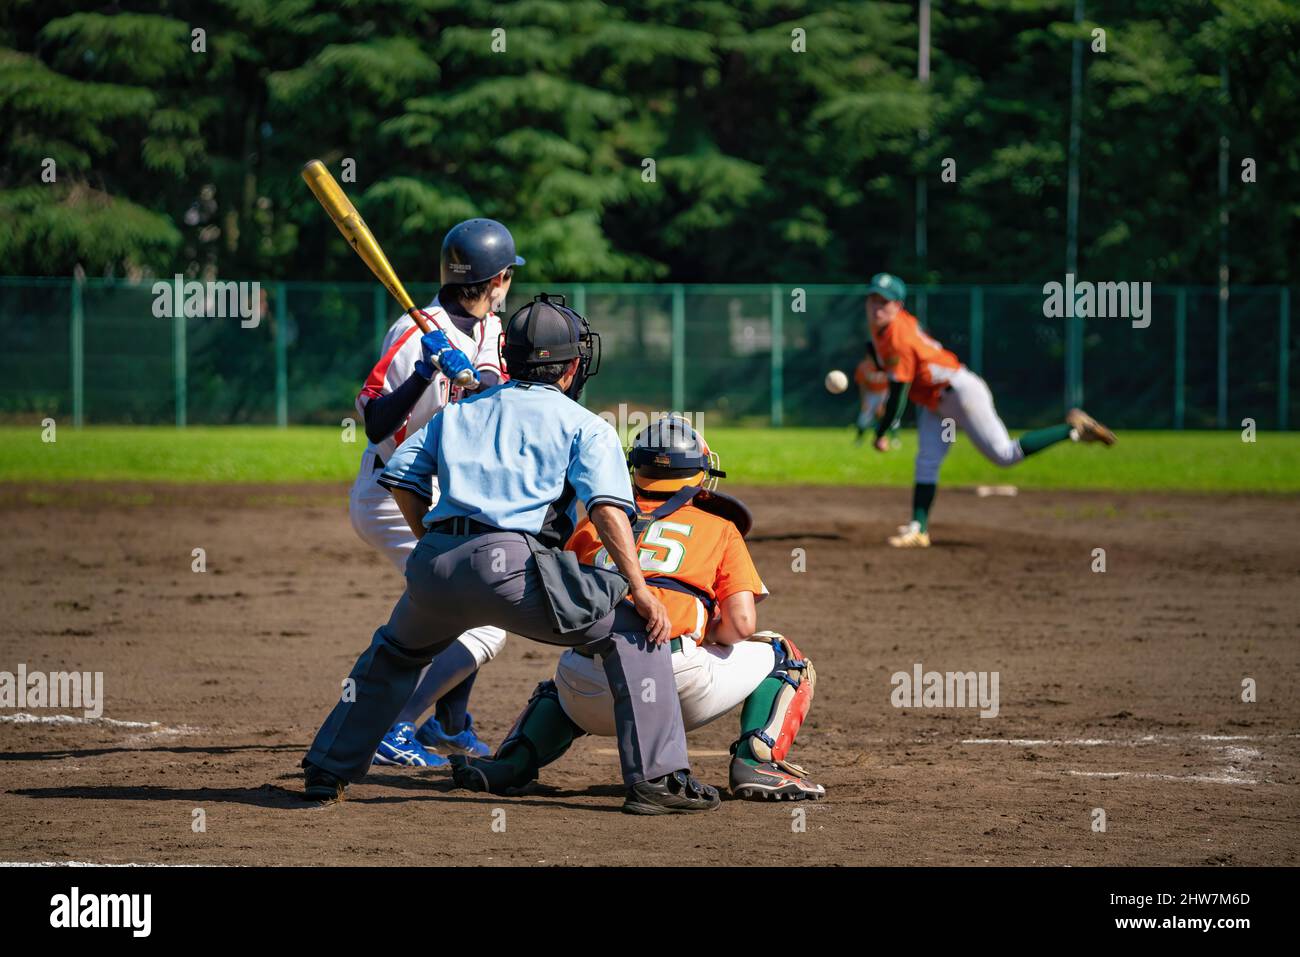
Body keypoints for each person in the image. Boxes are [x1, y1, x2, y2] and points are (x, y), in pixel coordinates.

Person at [303, 294, 719, 815]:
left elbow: (401, 476)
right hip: (514, 570)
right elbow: (610, 512)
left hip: (436, 564)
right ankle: (658, 781)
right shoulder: (585, 424)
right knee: (635, 630)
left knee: (392, 654)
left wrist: (429, 541)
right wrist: (639, 590)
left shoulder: (457, 412)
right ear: (571, 368)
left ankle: (326, 770)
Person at [449, 416, 824, 802]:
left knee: (559, 686)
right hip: (674, 688)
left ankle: (509, 763)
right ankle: (757, 762)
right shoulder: (719, 527)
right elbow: (741, 625)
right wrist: (701, 629)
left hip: (584, 690)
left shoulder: (597, 523)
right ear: (701, 473)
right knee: (783, 654)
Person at [349, 218, 520, 767]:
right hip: (396, 494)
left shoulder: (491, 325)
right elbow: (375, 422)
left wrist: (475, 379)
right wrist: (425, 372)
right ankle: (394, 724)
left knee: (462, 605)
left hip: (446, 493)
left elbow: (496, 385)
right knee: (484, 613)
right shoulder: (412, 331)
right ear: (496, 279)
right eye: (508, 275)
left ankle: (448, 724)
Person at [865, 272, 1117, 548]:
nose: (877, 307)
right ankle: (919, 529)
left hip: (961, 393)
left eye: (885, 302)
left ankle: (1072, 429)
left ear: (898, 306)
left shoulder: (897, 336)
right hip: (935, 403)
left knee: (1005, 455)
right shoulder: (883, 329)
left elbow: (899, 392)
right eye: (873, 300)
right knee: (927, 460)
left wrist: (882, 430)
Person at [854, 340, 890, 444]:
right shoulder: (864, 366)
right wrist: (864, 401)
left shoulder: (887, 364)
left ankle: (894, 439)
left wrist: (883, 403)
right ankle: (859, 440)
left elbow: (892, 385)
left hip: (885, 393)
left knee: (891, 416)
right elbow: (862, 385)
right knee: (864, 416)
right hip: (871, 393)